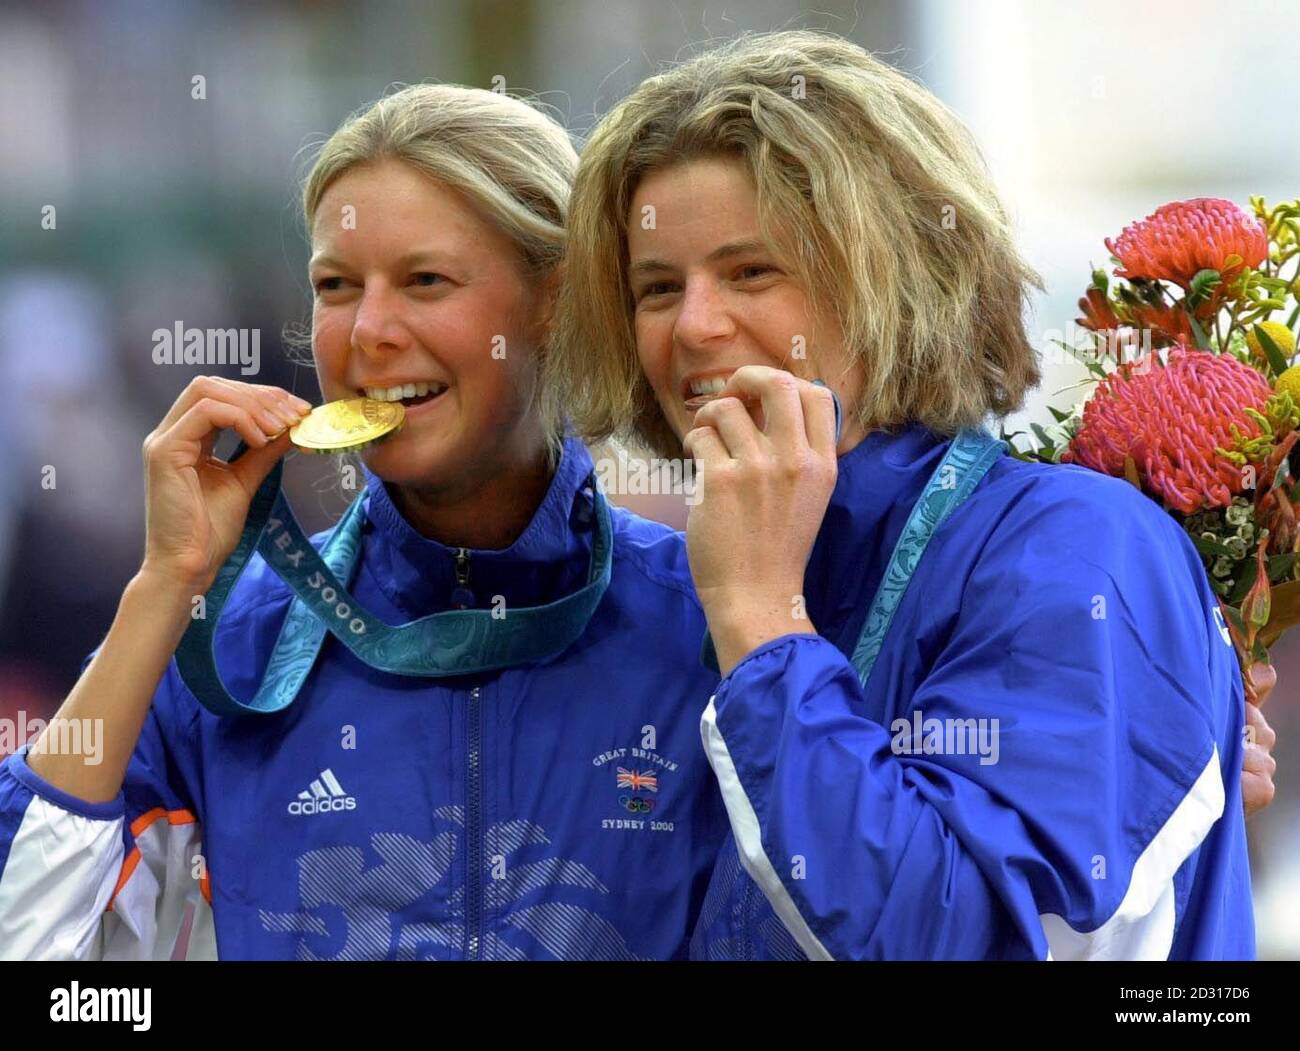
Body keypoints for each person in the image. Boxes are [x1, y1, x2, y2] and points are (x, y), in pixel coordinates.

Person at [550, 29, 1266, 959]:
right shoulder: (699, 594)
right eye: (655, 287)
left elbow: (968, 937)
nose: (693, 325)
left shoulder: (1079, 549)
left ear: (899, 280)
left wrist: (767, 627)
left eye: (750, 271)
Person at [0, 83, 729, 960]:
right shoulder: (226, 645)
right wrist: (166, 587)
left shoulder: (714, 624)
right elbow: (28, 938)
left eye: (426, 281)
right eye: (336, 286)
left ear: (557, 301)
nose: (368, 331)